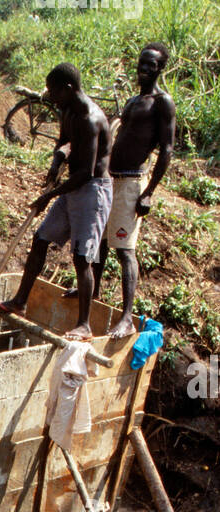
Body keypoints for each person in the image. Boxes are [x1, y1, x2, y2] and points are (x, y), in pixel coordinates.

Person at [0, 63, 112, 341]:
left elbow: (85, 173)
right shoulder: (67, 109)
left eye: (53, 91)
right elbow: (65, 141)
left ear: (68, 89)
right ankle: (19, 300)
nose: (50, 96)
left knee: (82, 258)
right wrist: (57, 162)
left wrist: (48, 195)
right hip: (72, 187)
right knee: (41, 238)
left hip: (92, 191)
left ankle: (84, 325)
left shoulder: (90, 119)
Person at [63, 43, 176, 339]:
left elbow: (166, 150)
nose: (144, 68)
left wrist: (149, 191)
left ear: (160, 68)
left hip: (131, 182)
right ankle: (94, 289)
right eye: (142, 62)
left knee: (125, 250)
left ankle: (126, 318)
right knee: (99, 241)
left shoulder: (162, 103)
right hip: (110, 180)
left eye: (151, 65)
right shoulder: (134, 100)